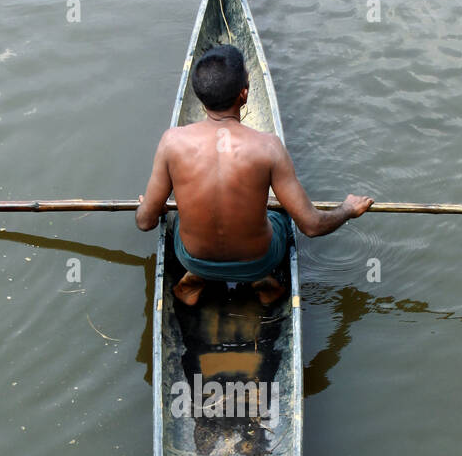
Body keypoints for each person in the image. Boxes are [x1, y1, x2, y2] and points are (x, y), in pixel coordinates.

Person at [135, 44, 373, 305]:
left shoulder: (171, 142)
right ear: (244, 94)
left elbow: (145, 222)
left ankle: (197, 277)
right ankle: (262, 282)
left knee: (174, 213)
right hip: (258, 263)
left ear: (199, 95)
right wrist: (348, 209)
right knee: (282, 213)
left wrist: (149, 207)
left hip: (192, 258)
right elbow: (312, 225)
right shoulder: (268, 147)